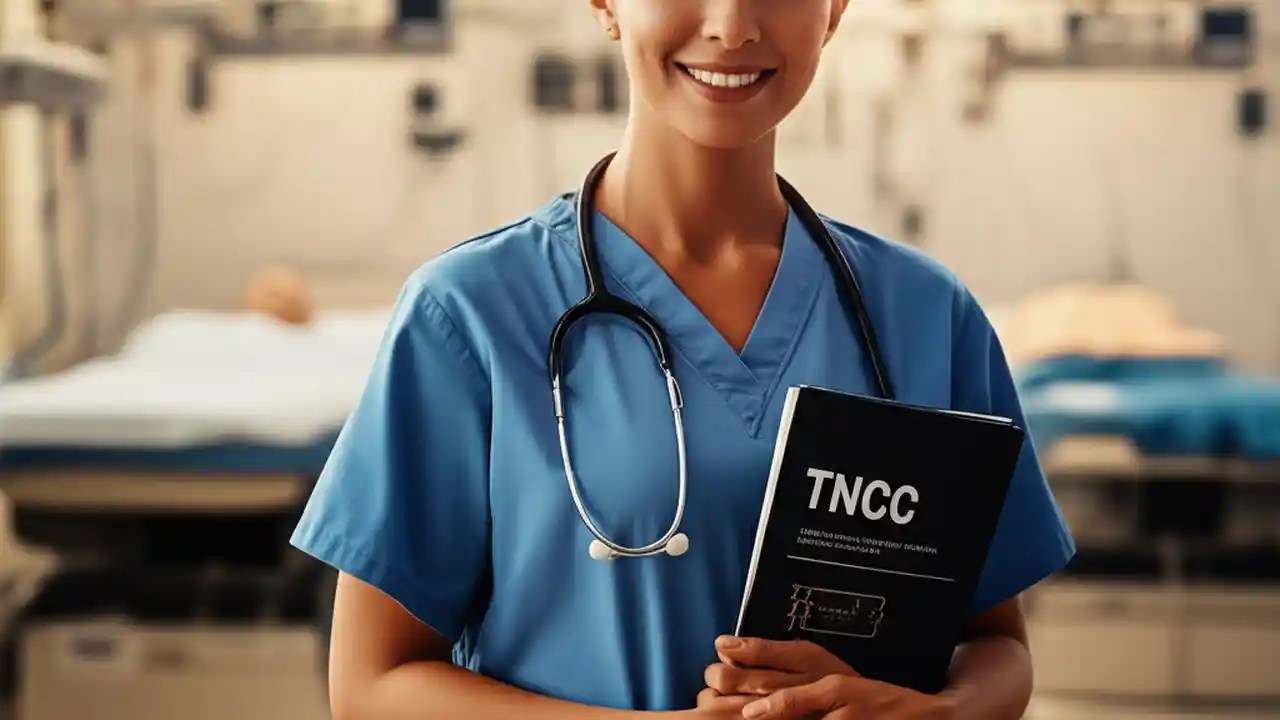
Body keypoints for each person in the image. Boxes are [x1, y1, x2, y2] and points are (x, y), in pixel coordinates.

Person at [289, 1, 1077, 718]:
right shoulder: (468, 314)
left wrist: (940, 714)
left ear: (835, 7)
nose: (732, 26)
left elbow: (998, 648)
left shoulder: (928, 317)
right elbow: (371, 685)